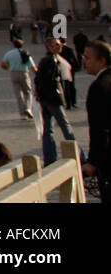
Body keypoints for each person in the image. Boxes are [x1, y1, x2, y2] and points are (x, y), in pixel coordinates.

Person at [36, 36, 79, 166]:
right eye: (56, 44)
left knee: (48, 129)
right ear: (49, 47)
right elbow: (49, 81)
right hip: (52, 99)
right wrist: (55, 95)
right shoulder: (50, 61)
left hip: (46, 98)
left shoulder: (49, 60)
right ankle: (79, 155)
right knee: (65, 126)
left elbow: (38, 79)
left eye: (59, 44)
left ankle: (50, 158)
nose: (60, 46)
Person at [82, 40, 111, 202]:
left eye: (88, 58)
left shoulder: (99, 87)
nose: (84, 61)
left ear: (102, 61)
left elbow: (99, 128)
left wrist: (93, 161)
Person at [0, 38, 36, 118]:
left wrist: (8, 68)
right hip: (24, 73)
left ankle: (22, 114)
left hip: (13, 73)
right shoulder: (25, 53)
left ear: (14, 45)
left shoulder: (9, 54)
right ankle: (28, 108)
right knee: (28, 92)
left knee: (18, 94)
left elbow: (2, 64)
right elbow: (33, 67)